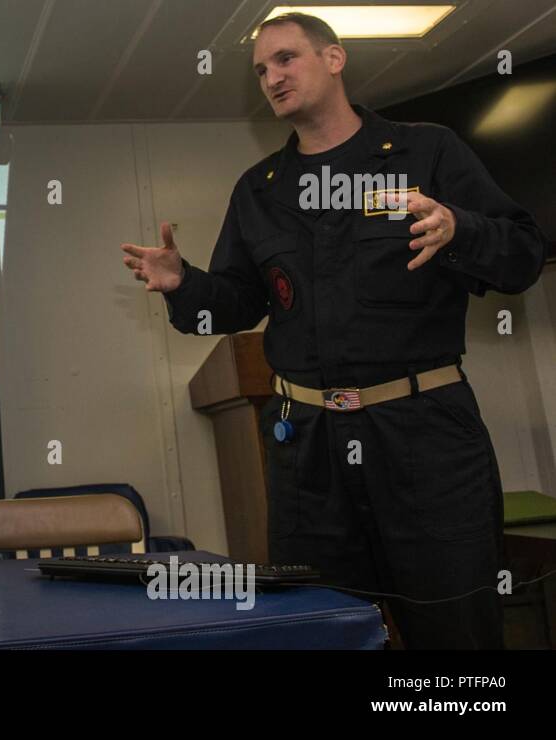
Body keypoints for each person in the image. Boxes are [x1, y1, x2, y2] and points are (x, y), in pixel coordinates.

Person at [120, 12, 548, 649]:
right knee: (320, 630)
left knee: (456, 635)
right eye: (261, 70)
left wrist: (459, 228)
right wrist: (186, 284)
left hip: (423, 437)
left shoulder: (426, 151)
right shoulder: (260, 190)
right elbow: (238, 304)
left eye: (286, 59)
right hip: (307, 451)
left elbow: (521, 255)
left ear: (335, 59)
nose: (272, 77)